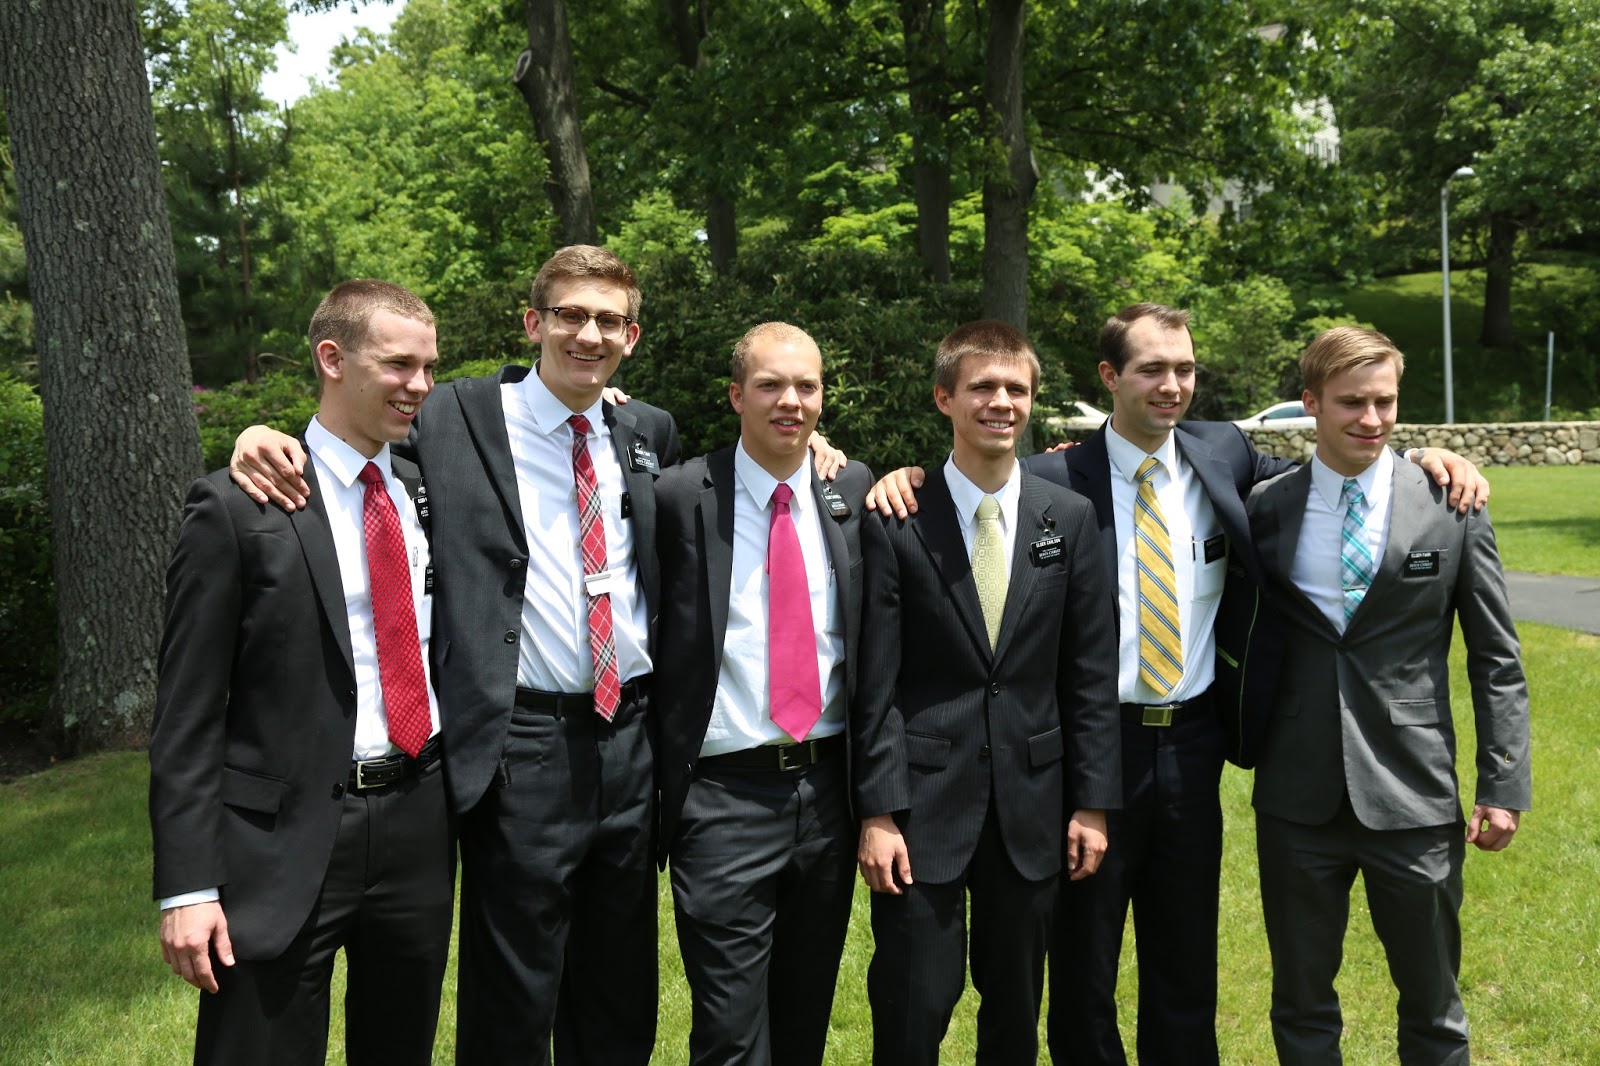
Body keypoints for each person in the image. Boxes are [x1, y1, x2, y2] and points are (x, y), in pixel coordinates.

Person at [228, 246, 846, 1065]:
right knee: (516, 989)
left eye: (609, 321)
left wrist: (821, 452)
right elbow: (355, 428)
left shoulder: (645, 430)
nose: (589, 334)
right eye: (571, 315)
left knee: (619, 985)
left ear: (632, 335)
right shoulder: (455, 416)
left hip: (629, 740)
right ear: (535, 323)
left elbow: (744, 473)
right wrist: (258, 434)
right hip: (521, 743)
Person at [864, 304, 1492, 1066]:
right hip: (1088, 753)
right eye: (1152, 369)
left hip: (1192, 744)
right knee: (1084, 970)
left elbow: (1336, 468)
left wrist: (1430, 456)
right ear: (1110, 377)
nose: (1172, 386)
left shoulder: (1222, 454)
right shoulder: (1055, 476)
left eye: (1185, 370)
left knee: (1186, 963)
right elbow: (975, 486)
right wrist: (909, 478)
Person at [149, 280, 453, 1065]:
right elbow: (185, 715)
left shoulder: (427, 487)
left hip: (418, 821)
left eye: (428, 367)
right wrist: (187, 887)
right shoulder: (239, 507)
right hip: (282, 836)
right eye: (397, 365)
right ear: (331, 359)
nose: (419, 386)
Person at [1246, 325, 1530, 1064]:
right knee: (1302, 1004)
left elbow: (1496, 655)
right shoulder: (1267, 506)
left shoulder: (1450, 503)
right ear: (1310, 404)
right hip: (1296, 796)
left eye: (1385, 402)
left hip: (1414, 790)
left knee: (1434, 1005)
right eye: (1351, 403)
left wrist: (1503, 783)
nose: (1371, 419)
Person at [853, 320, 1121, 1066]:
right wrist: (875, 812)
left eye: (1016, 389)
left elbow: (1090, 674)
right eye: (982, 387)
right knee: (913, 1010)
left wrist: (1092, 803)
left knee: (1015, 1016)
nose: (1000, 402)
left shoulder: (1067, 518)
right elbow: (873, 682)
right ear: (945, 397)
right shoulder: (897, 517)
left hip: (1034, 808)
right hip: (920, 811)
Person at [653, 322, 875, 1066]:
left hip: (828, 792)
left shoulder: (851, 489)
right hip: (723, 797)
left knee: (805, 1012)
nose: (791, 401)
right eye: (772, 385)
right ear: (736, 396)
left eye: (806, 386)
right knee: (730, 1028)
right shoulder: (680, 495)